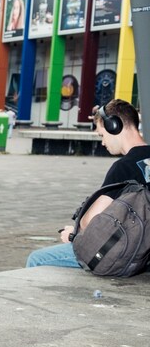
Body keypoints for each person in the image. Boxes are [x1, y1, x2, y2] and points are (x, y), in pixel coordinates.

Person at [26, 99, 150, 268]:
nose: (103, 142)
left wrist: (73, 235)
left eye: (101, 135)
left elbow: (90, 221)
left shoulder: (123, 167)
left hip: (131, 253)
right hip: (145, 251)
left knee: (37, 259)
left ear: (114, 126)